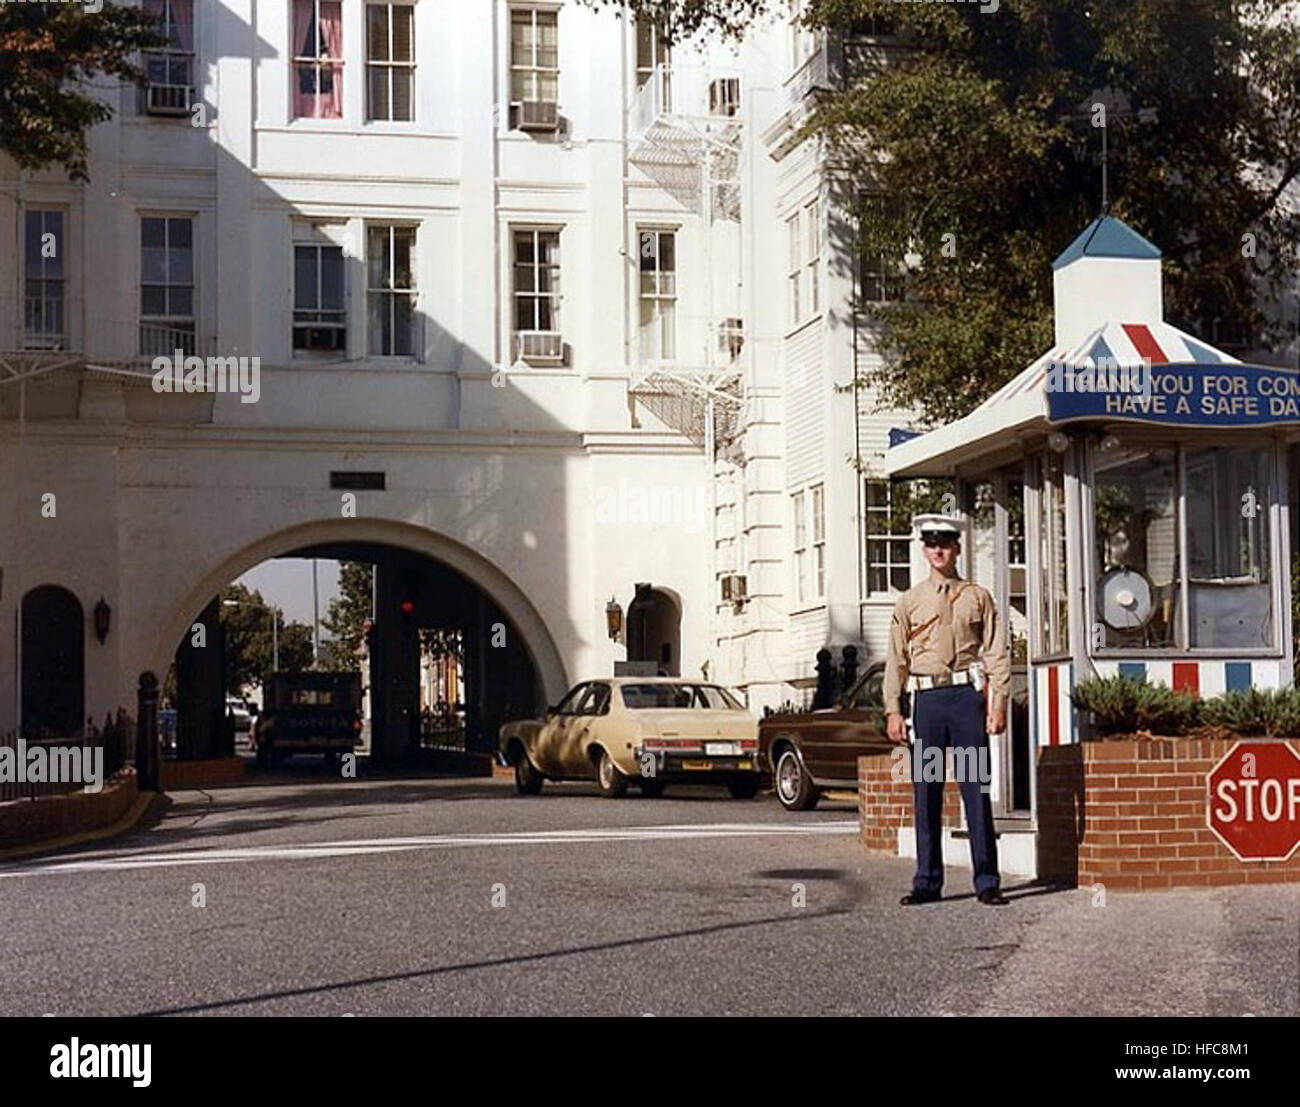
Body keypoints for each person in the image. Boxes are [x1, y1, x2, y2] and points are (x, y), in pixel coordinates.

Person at [883, 513, 1011, 906]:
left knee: (975, 788)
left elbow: (996, 651)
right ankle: (927, 881)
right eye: (931, 543)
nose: (938, 550)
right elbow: (896, 659)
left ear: (957, 548)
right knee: (928, 792)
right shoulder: (910, 601)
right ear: (924, 550)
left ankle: (987, 880)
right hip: (928, 703)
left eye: (946, 543)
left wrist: (998, 701)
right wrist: (893, 708)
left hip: (964, 699)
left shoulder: (977, 596)